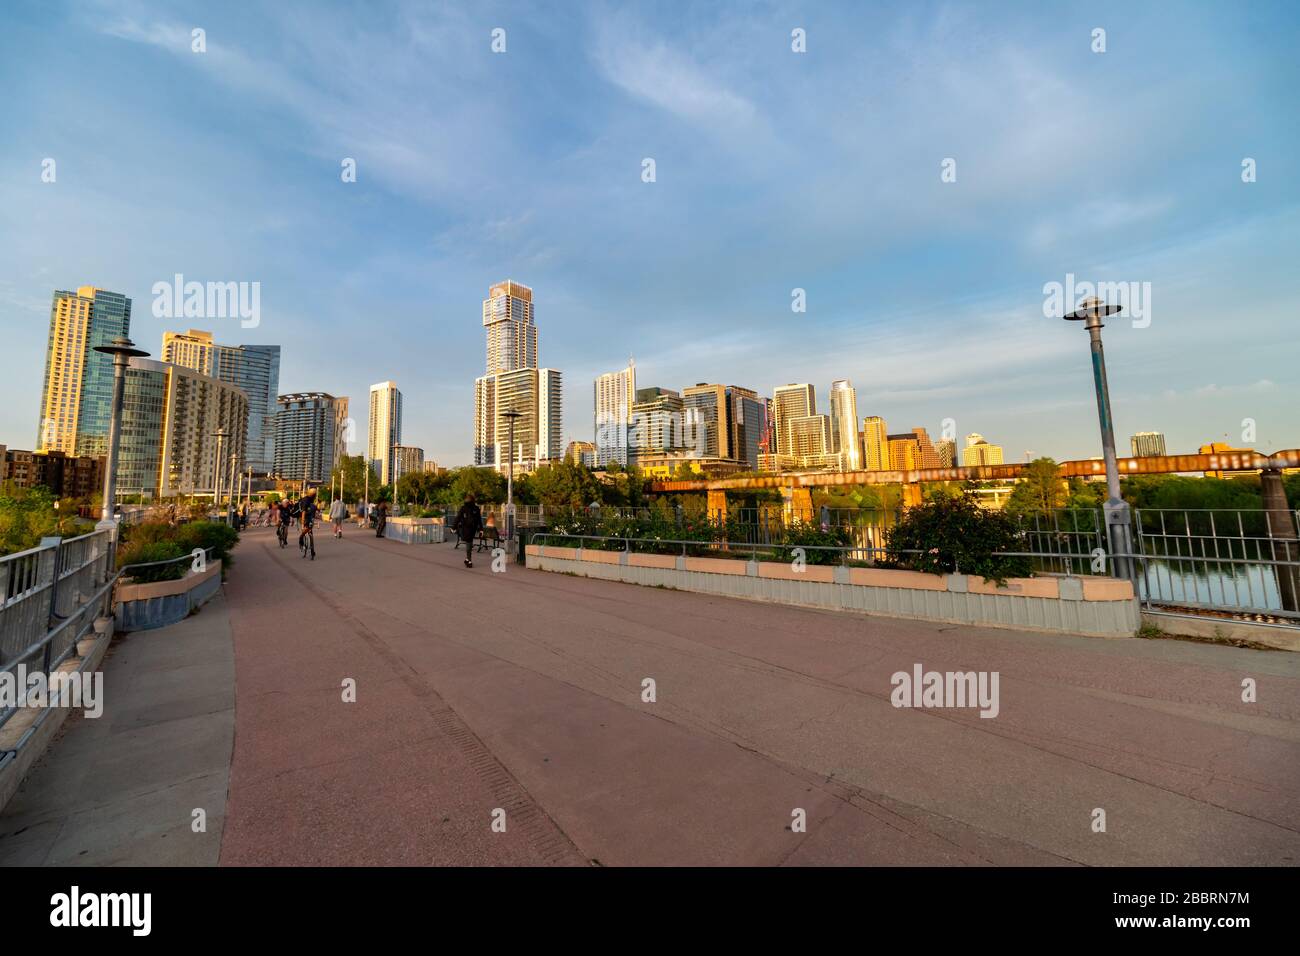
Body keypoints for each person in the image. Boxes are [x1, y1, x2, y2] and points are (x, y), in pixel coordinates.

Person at [454, 494, 483, 568]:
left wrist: (453, 527)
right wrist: (481, 530)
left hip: (465, 528)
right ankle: (467, 559)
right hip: (473, 528)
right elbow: (479, 520)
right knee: (469, 543)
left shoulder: (463, 508)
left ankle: (469, 561)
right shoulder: (476, 508)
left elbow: (458, 518)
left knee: (468, 543)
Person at [298, 490, 319, 558]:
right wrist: (302, 523)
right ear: (311, 494)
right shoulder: (305, 500)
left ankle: (312, 550)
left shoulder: (311, 499)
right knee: (306, 529)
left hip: (309, 517)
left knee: (310, 532)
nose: (315, 496)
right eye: (314, 494)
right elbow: (303, 512)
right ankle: (301, 537)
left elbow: (313, 509)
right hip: (303, 517)